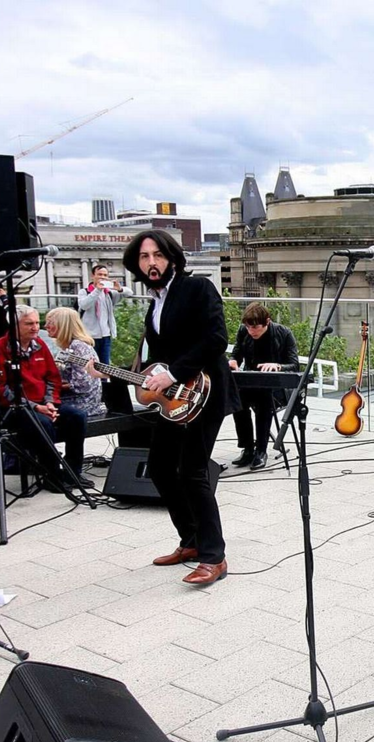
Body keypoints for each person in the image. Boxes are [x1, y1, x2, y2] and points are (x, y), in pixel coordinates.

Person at [123, 229, 239, 587]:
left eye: (157, 255)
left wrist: (173, 372)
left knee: (192, 471)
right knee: (158, 466)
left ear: (171, 257)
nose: (151, 262)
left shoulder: (197, 288)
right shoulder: (155, 303)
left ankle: (213, 556)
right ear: (136, 264)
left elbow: (216, 338)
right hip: (175, 399)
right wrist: (130, 373)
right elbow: (159, 356)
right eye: (144, 257)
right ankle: (190, 541)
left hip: (205, 392)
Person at [0, 305, 91, 490]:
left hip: (44, 404)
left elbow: (52, 377)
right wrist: (36, 407)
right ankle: (51, 475)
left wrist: (50, 402)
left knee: (78, 416)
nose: (36, 327)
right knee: (42, 423)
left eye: (37, 322)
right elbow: (0, 388)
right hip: (14, 408)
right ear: (14, 326)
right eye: (29, 324)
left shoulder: (40, 345)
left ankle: (72, 473)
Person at [227, 302, 298, 470]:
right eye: (248, 328)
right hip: (252, 384)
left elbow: (294, 365)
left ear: (267, 322)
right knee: (237, 401)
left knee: (263, 400)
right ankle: (248, 448)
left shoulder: (284, 333)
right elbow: (236, 354)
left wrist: (277, 366)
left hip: (278, 389)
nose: (252, 332)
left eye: (256, 328)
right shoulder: (243, 331)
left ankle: (261, 450)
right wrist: (233, 361)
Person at [45, 307, 107, 417]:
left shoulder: (78, 347)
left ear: (62, 325)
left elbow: (83, 385)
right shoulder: (69, 346)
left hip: (81, 404)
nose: (46, 327)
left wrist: (55, 386)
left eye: (50, 323)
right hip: (75, 399)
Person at [78, 264, 133, 364]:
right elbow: (84, 305)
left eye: (105, 275)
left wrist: (119, 288)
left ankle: (104, 380)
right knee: (90, 365)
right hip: (89, 336)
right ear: (93, 276)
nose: (102, 277)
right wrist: (97, 290)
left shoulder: (109, 293)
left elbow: (129, 293)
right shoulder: (84, 292)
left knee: (104, 365)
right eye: (99, 274)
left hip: (105, 335)